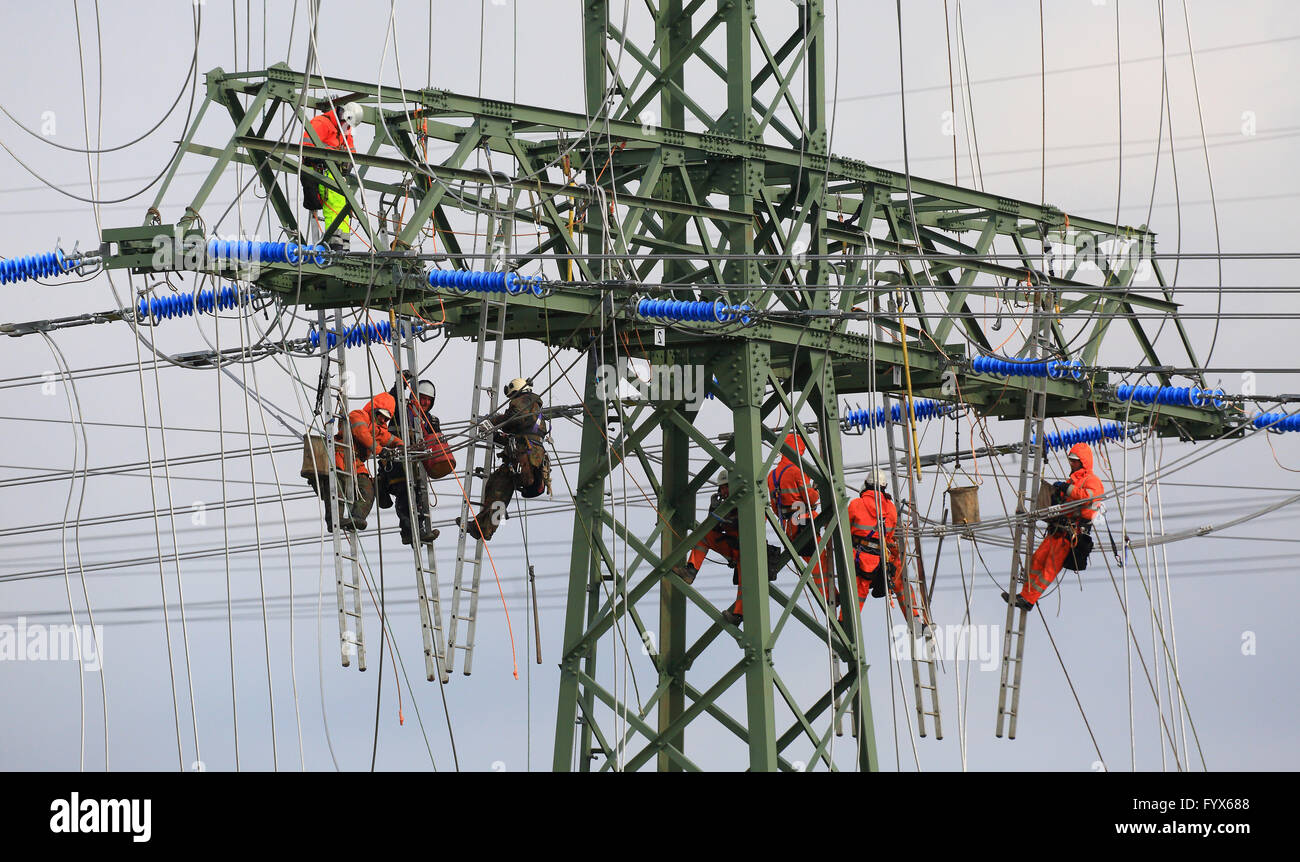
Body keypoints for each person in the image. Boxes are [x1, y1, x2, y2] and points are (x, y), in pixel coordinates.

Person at [1004, 442, 1104, 610]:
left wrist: (1067, 488)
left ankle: (1029, 600)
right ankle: (1024, 595)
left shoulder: (1092, 481)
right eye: (1071, 460)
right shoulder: (1073, 480)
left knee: (1050, 568)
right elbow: (1068, 501)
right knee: (1036, 560)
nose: (1071, 463)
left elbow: (1088, 499)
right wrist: (1059, 494)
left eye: (1075, 461)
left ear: (1083, 462)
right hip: (1058, 529)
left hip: (1071, 533)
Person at [672, 482, 780, 626]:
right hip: (733, 547)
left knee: (745, 583)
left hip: (750, 550)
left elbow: (751, 522)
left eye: (726, 487)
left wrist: (726, 518)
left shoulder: (749, 501)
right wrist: (713, 511)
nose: (724, 491)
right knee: (705, 535)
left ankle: (738, 615)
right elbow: (715, 528)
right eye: (721, 488)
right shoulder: (725, 506)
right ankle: (690, 571)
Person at [462, 378, 551, 542]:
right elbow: (518, 434)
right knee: (499, 493)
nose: (511, 401)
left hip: (524, 458)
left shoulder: (524, 400)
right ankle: (484, 529)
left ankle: (484, 527)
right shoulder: (536, 409)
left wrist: (492, 421)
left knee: (497, 489)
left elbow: (511, 420)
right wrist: (497, 435)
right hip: (529, 458)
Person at [309, 391, 403, 532]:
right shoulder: (358, 416)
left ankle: (357, 518)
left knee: (367, 489)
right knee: (336, 489)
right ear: (374, 410)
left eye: (386, 418)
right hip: (340, 455)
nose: (383, 420)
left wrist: (401, 445)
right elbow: (361, 434)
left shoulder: (379, 430)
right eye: (381, 415)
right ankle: (335, 520)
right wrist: (380, 450)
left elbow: (390, 439)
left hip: (356, 463)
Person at [377, 375, 444, 545]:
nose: (426, 402)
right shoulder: (401, 409)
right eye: (422, 398)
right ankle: (410, 532)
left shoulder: (430, 420)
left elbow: (436, 443)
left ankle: (417, 531)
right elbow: (391, 400)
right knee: (405, 495)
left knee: (418, 497)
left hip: (416, 465)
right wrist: (399, 384)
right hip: (397, 463)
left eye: (429, 400)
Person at [846, 470, 918, 622]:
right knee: (899, 573)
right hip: (879, 559)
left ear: (866, 485)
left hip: (859, 557)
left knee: (860, 589)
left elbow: (844, 529)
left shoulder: (856, 504)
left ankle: (845, 621)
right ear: (884, 487)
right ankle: (915, 618)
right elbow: (889, 537)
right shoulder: (891, 509)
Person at [767, 432, 830, 597]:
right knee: (820, 561)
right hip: (804, 521)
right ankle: (828, 595)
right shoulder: (797, 470)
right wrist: (816, 491)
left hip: (787, 526)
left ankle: (831, 594)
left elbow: (774, 507)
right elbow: (810, 498)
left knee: (811, 562)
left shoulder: (771, 475)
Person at [301, 102, 362, 251]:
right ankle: (333, 243)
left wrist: (347, 163)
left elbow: (351, 152)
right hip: (320, 173)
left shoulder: (345, 129)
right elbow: (306, 148)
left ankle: (344, 244)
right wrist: (331, 156)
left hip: (336, 175)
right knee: (334, 205)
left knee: (345, 208)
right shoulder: (321, 123)